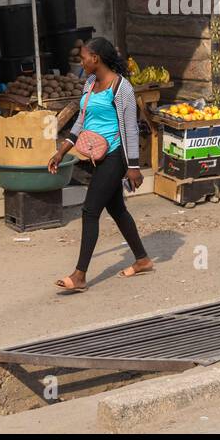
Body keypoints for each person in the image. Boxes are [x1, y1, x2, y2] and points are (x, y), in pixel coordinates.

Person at [50, 37, 151, 292]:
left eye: (84, 57)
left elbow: (130, 128)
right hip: (97, 155)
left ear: (96, 58)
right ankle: (142, 259)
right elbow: (80, 121)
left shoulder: (122, 88)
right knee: (117, 209)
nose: (81, 61)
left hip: (115, 156)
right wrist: (63, 150)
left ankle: (80, 275)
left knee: (90, 210)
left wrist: (134, 167)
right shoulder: (90, 83)